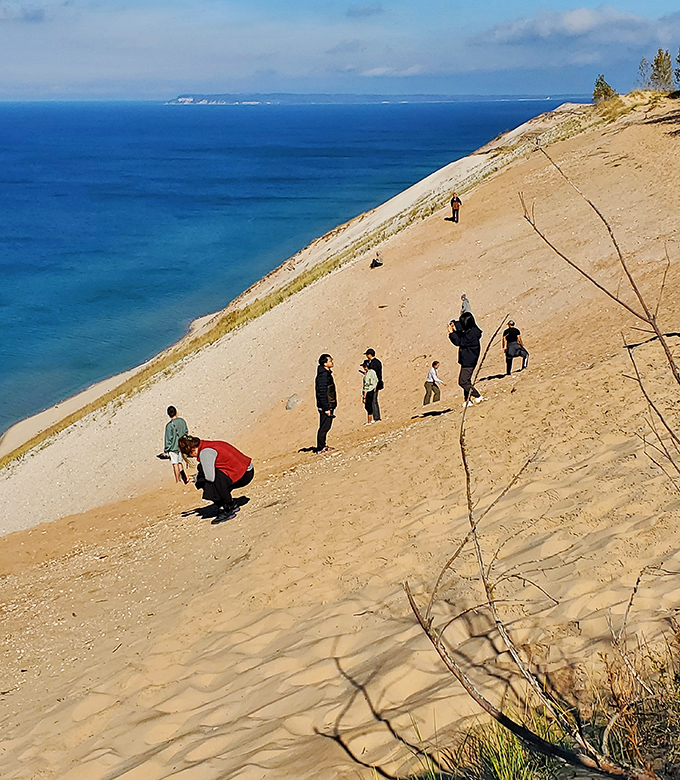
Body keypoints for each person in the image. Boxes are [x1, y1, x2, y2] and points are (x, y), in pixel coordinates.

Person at [179, 435, 254, 524]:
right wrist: (195, 477)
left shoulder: (205, 453)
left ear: (192, 450)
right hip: (246, 470)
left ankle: (228, 507)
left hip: (244, 474)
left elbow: (210, 477)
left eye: (189, 455)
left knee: (208, 483)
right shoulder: (208, 445)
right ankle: (228, 503)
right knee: (204, 473)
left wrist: (199, 479)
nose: (191, 457)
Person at [448, 312, 485, 406]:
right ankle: (467, 400)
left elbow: (459, 342)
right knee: (467, 380)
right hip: (468, 359)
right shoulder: (473, 329)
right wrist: (454, 324)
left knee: (463, 381)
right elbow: (462, 328)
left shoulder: (471, 335)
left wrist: (452, 333)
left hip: (469, 361)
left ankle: (478, 396)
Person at [315, 354, 337, 453]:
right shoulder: (323, 376)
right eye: (330, 361)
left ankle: (323, 445)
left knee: (326, 426)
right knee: (324, 427)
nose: (332, 362)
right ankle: (320, 447)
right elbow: (322, 393)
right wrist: (326, 408)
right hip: (325, 406)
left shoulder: (326, 373)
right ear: (325, 363)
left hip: (329, 404)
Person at [163, 406, 189, 483]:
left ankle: (178, 480)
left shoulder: (169, 425)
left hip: (173, 447)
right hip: (181, 445)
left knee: (175, 464)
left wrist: (166, 450)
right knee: (180, 462)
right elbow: (186, 431)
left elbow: (168, 439)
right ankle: (184, 478)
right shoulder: (182, 421)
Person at [364, 348, 383, 421]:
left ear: (369, 355)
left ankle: (376, 418)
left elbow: (374, 376)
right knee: (373, 401)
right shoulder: (377, 362)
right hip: (376, 383)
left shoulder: (374, 363)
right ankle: (375, 417)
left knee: (373, 401)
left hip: (374, 384)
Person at [360, 359, 378, 424]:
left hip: (368, 391)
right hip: (372, 390)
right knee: (371, 405)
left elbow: (366, 386)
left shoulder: (368, 375)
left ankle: (369, 421)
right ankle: (372, 419)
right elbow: (376, 380)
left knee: (368, 406)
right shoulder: (373, 372)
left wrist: (364, 396)